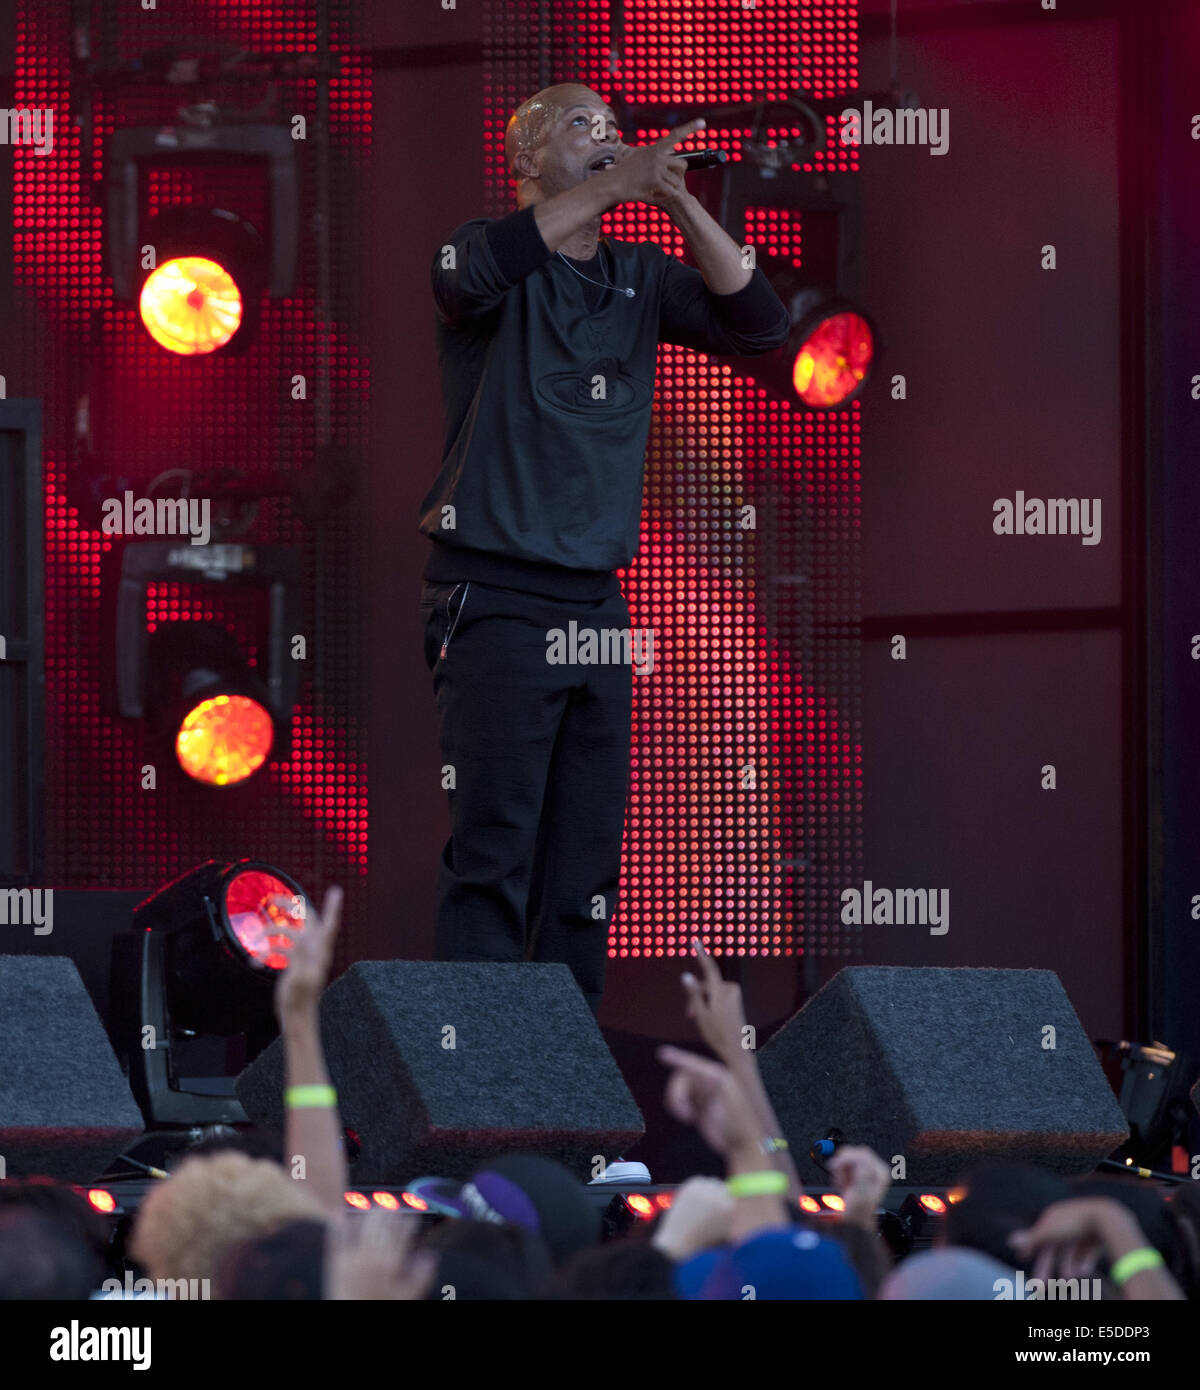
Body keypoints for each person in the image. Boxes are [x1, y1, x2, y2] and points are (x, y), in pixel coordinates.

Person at [419, 82, 789, 1012]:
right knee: (494, 852)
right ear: (525, 159)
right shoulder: (484, 256)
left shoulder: (642, 276)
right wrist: (617, 179)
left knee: (585, 864)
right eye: (582, 128)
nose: (606, 139)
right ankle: (480, 1101)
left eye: (615, 131)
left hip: (596, 606)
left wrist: (674, 198)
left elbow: (761, 322)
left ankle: (568, 1110)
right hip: (495, 590)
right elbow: (469, 274)